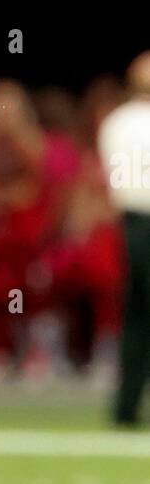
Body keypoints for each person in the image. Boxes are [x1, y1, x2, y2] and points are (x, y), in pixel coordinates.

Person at [97, 53, 150, 424]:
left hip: (132, 225)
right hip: (138, 222)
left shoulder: (116, 121)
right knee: (138, 317)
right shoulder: (124, 121)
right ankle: (126, 406)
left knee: (138, 317)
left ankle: (126, 407)